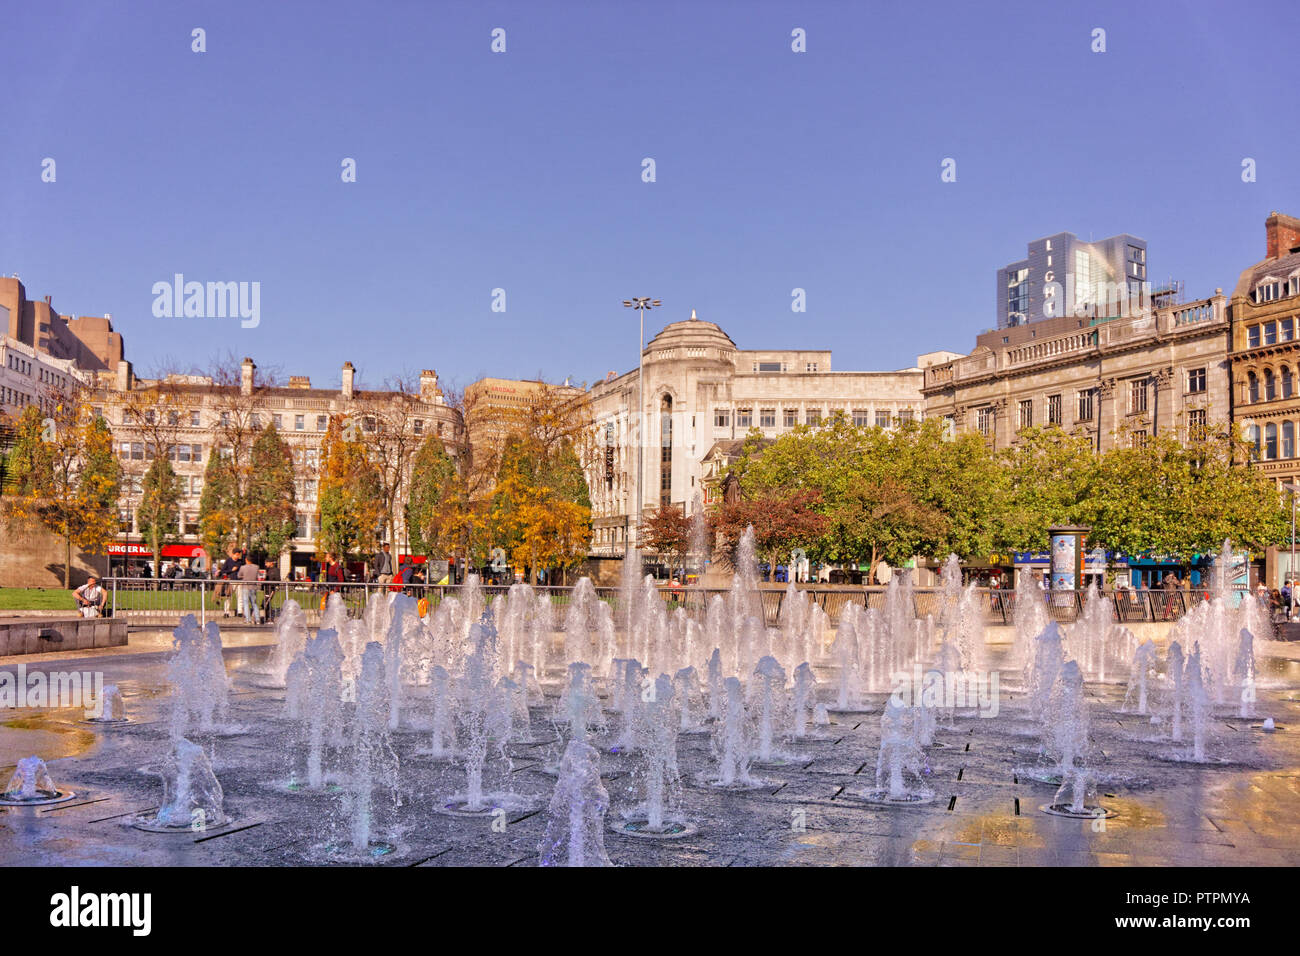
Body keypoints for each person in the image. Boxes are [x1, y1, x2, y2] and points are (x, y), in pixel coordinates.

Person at [237, 552, 261, 623]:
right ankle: (257, 619)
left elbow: (239, 575)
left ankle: (248, 619)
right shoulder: (256, 567)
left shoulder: (243, 567)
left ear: (246, 560)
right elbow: (257, 576)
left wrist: (243, 577)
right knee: (254, 603)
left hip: (245, 586)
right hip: (253, 586)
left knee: (246, 603)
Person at [260, 558, 281, 624]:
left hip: (271, 589)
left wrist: (274, 586)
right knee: (265, 603)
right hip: (266, 588)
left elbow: (278, 579)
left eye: (267, 563)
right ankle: (267, 618)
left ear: (271, 563)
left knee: (265, 603)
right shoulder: (267, 570)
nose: (265, 564)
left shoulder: (276, 570)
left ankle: (270, 618)